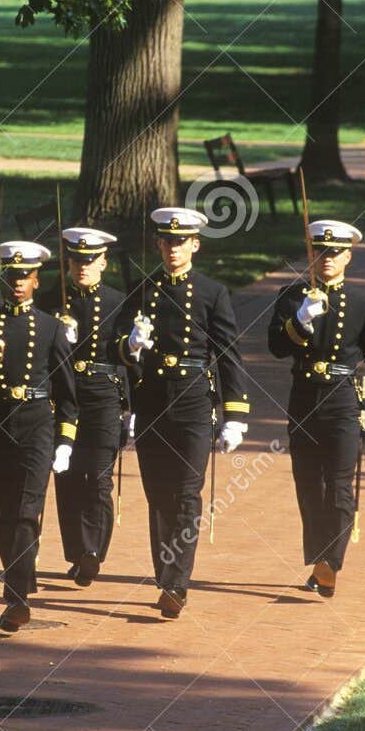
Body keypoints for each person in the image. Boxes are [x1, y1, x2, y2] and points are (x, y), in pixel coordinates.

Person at [118, 207, 251, 618]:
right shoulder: (142, 290)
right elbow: (118, 352)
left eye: (181, 242)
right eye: (167, 241)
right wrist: (132, 348)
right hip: (153, 399)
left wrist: (235, 414)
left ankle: (176, 583)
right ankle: (165, 573)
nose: (173, 248)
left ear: (195, 245)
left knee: (187, 493)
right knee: (158, 493)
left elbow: (228, 354)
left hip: (193, 400)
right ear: (158, 244)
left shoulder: (212, 293)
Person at [267, 219, 365, 598]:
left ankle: (330, 564)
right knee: (309, 486)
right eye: (320, 251)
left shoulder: (361, 303)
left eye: (335, 253)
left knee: (339, 486)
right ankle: (320, 557)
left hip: (342, 399)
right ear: (311, 254)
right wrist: (301, 320)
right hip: (304, 399)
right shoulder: (292, 297)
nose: (327, 258)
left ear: (348, 257)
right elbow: (277, 347)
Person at [0, 241, 78, 631]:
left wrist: (65, 440)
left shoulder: (50, 327)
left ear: (36, 280)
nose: (17, 283)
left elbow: (67, 392)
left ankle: (16, 598)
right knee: (5, 511)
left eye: (24, 277)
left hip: (36, 423)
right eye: (11, 276)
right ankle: (21, 575)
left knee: (28, 510)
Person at [41, 226, 128, 587]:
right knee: (68, 475)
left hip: (103, 395)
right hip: (63, 396)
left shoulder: (119, 302)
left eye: (90, 261)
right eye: (76, 261)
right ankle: (76, 552)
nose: (82, 268)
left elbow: (129, 359)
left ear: (103, 262)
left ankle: (93, 552)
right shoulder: (50, 301)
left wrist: (130, 406)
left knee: (98, 476)